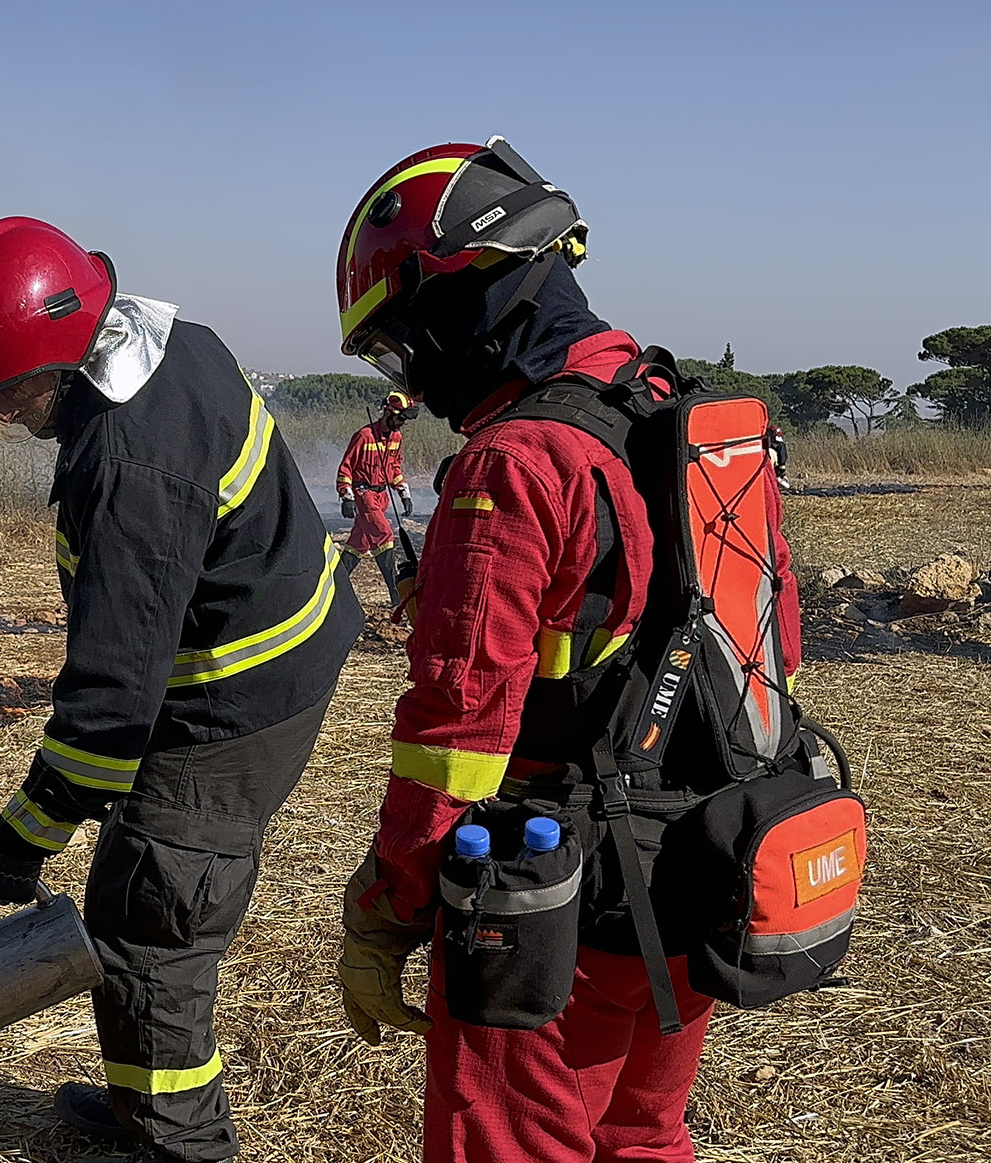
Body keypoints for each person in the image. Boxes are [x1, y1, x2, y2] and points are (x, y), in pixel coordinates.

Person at [329, 140, 802, 1162]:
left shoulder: (514, 459)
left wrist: (384, 908)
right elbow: (774, 650)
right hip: (700, 872)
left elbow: (454, 735)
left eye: (403, 343)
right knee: (643, 1133)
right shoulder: (690, 421)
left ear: (463, 298)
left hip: (554, 910)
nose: (413, 374)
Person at [0, 216, 362, 1163]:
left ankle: (177, 1144)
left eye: (6, 397)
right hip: (267, 651)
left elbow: (109, 706)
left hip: (233, 700)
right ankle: (144, 1109)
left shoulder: (127, 466)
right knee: (135, 887)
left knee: (153, 919)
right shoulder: (173, 344)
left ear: (54, 358)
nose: (6, 418)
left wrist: (16, 839)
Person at [335, 390, 416, 604]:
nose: (401, 423)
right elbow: (345, 469)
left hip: (382, 497)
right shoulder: (364, 436)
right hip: (364, 495)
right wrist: (347, 497)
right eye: (400, 418)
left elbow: (395, 467)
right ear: (388, 412)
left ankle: (335, 584)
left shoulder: (397, 438)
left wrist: (404, 493)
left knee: (359, 543)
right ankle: (395, 591)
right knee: (383, 534)